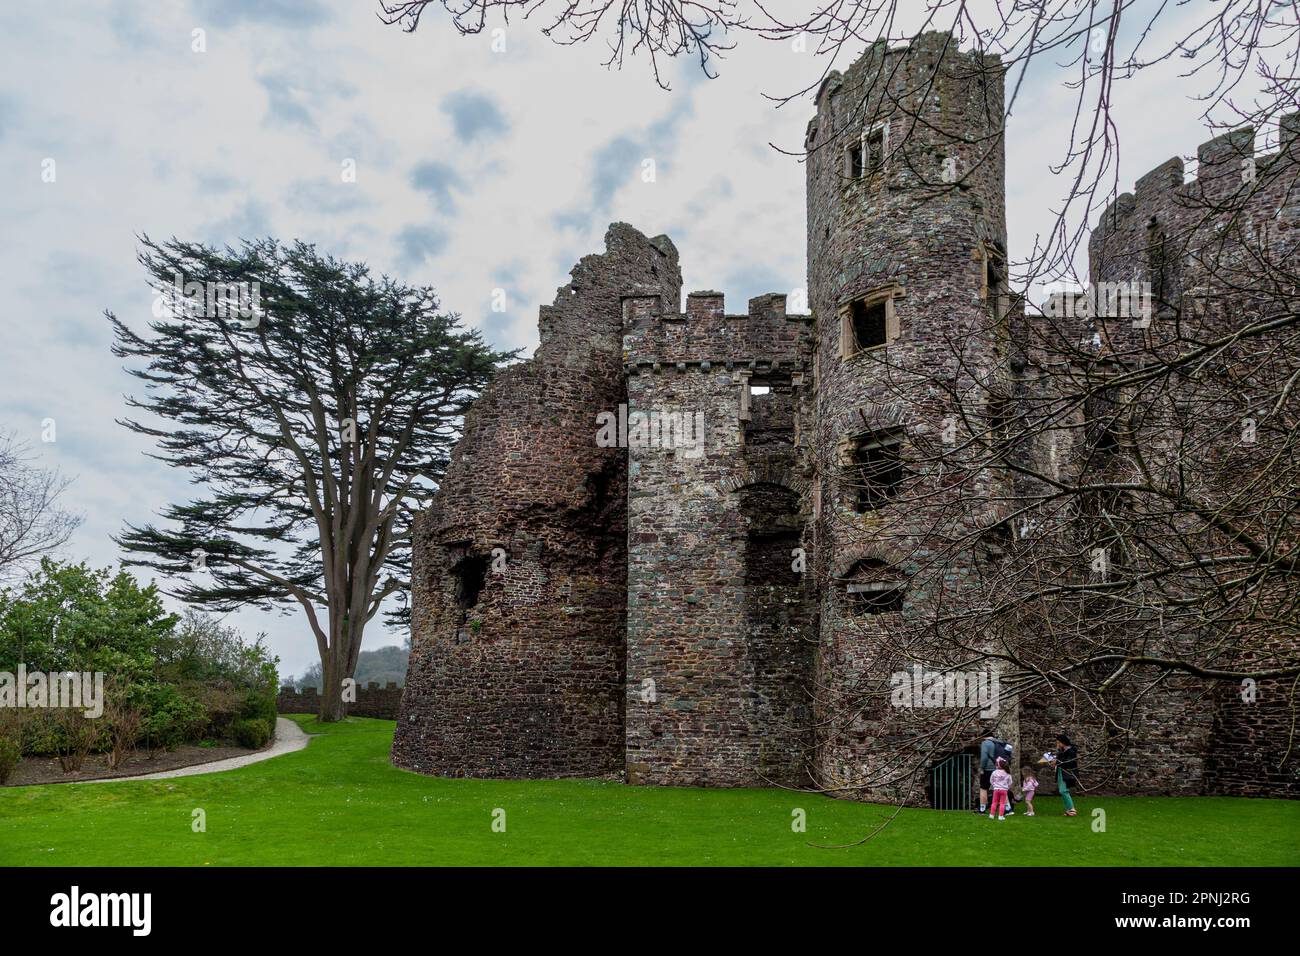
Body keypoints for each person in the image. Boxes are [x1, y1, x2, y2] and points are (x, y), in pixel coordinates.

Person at [977, 733, 1016, 814]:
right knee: (1003, 788)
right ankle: (1008, 809)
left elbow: (984, 757)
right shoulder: (999, 742)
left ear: (984, 736)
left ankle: (982, 809)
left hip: (988, 768)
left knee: (983, 788)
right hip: (1000, 768)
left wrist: (981, 768)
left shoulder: (985, 743)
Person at [1053, 733, 1079, 817]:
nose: (1057, 745)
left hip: (1067, 773)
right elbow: (1059, 761)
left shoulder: (1071, 751)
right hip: (1061, 772)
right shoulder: (1062, 751)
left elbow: (1069, 763)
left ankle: (1072, 809)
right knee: (1062, 791)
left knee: (1063, 791)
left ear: (1062, 743)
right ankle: (1068, 809)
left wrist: (1057, 762)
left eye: (1058, 743)